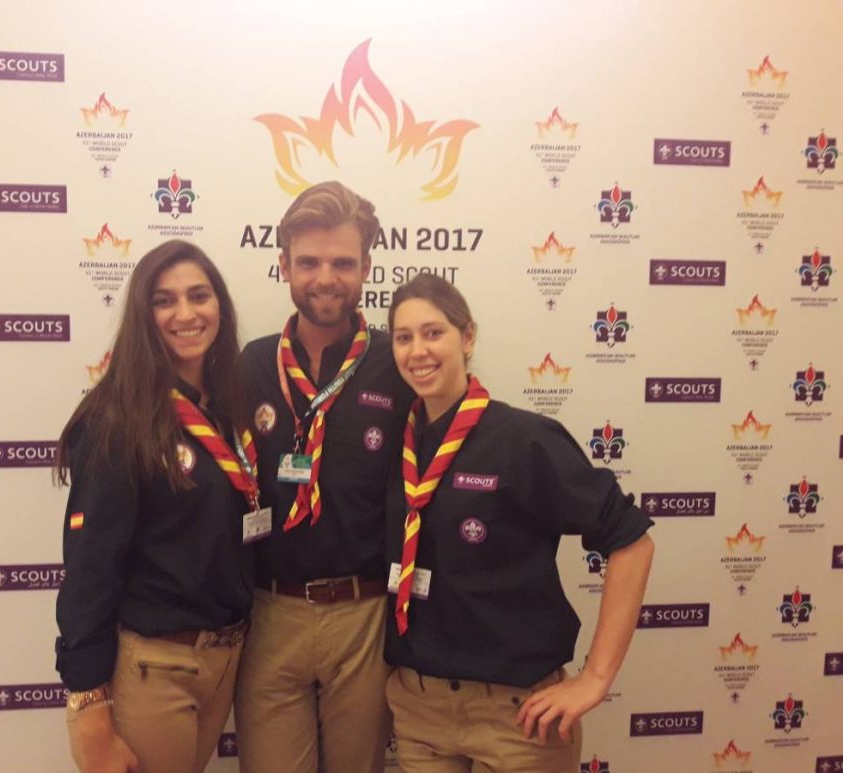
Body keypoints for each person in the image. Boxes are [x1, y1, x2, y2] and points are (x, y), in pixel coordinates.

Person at [384, 274, 655, 773]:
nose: (418, 350)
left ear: (467, 338)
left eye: (433, 332)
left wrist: (596, 678)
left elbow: (631, 542)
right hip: (419, 711)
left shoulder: (523, 440)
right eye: (404, 338)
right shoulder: (394, 446)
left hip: (516, 717)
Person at [53, 240, 257, 773]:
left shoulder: (226, 406)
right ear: (144, 315)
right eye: (165, 300)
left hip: (221, 661)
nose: (186, 314)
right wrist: (88, 706)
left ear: (221, 306)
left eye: (199, 296)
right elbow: (90, 566)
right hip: (154, 668)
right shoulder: (118, 418)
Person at [234, 181, 414, 773]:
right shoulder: (250, 365)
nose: (325, 278)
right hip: (270, 613)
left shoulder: (402, 365)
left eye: (342, 262)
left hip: (363, 614)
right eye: (308, 262)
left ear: (366, 267)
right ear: (283, 265)